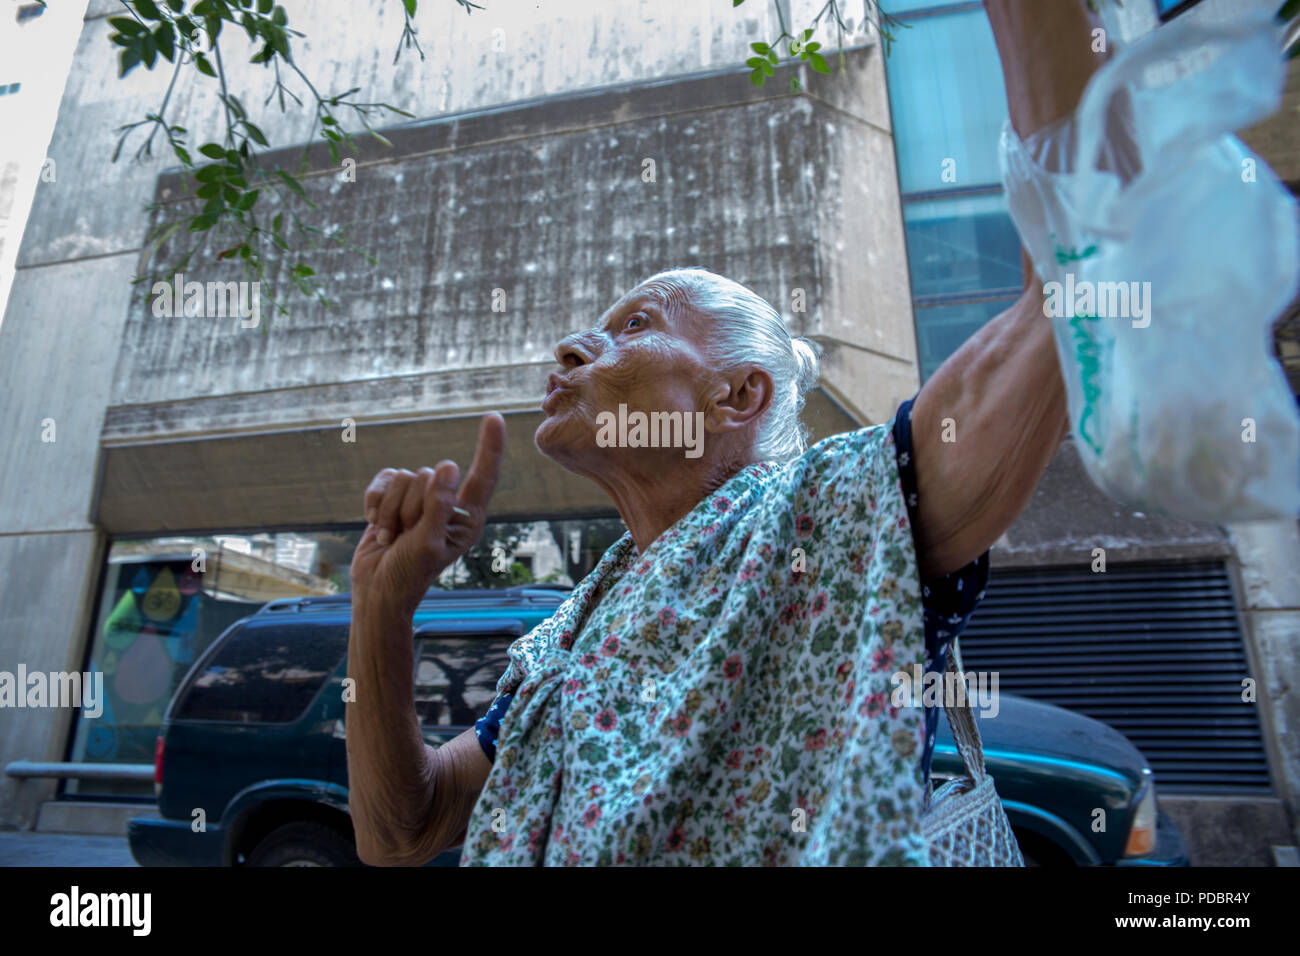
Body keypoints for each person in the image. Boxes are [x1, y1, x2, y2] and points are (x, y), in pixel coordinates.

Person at [344, 0, 1104, 865]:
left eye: (634, 324)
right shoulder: (574, 632)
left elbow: (1067, 290)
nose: (572, 346)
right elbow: (400, 830)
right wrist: (382, 603)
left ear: (738, 395)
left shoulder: (825, 520)